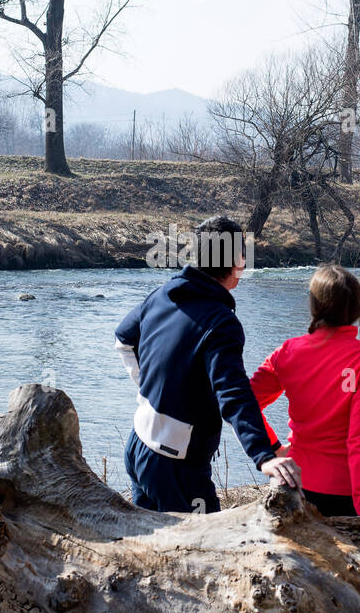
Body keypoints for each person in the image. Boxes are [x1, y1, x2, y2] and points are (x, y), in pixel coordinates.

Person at [115, 216, 301, 513]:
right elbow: (233, 395)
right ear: (234, 261)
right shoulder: (221, 322)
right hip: (176, 466)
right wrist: (263, 456)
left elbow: (124, 340)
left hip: (138, 445)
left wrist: (151, 396)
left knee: (152, 548)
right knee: (206, 552)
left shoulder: (163, 294)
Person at [251, 265, 360, 518]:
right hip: (350, 495)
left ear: (314, 306)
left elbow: (244, 404)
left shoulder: (287, 352)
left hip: (296, 487)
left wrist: (274, 449)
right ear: (357, 308)